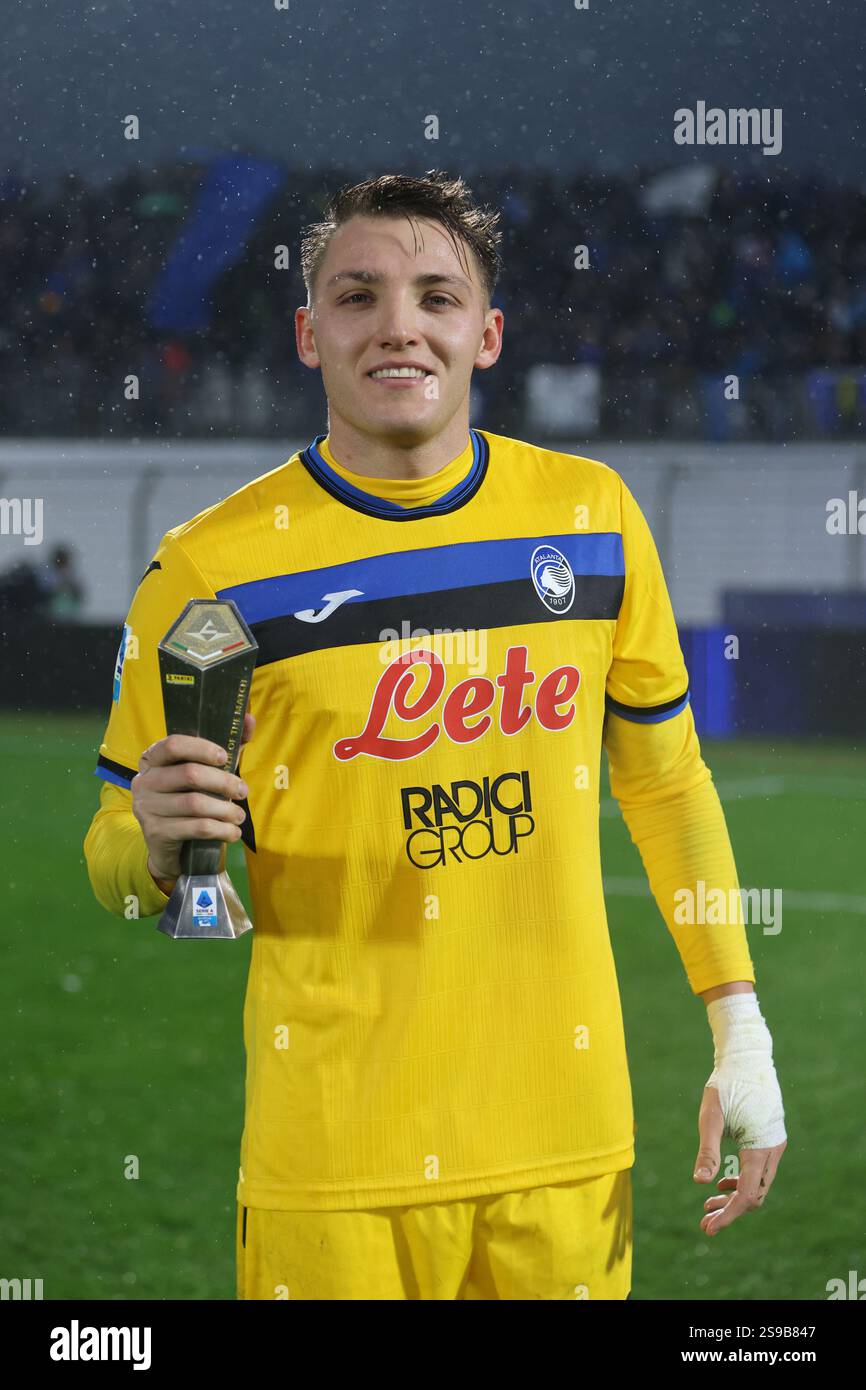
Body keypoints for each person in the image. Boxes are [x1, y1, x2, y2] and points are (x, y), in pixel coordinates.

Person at [84, 170, 786, 1301]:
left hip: (562, 1152)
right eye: (357, 296)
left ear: (487, 333)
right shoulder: (209, 570)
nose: (398, 323)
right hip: (332, 1163)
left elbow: (664, 785)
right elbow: (117, 864)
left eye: (435, 296)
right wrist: (155, 850)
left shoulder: (591, 520)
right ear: (309, 334)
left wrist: (738, 1027)